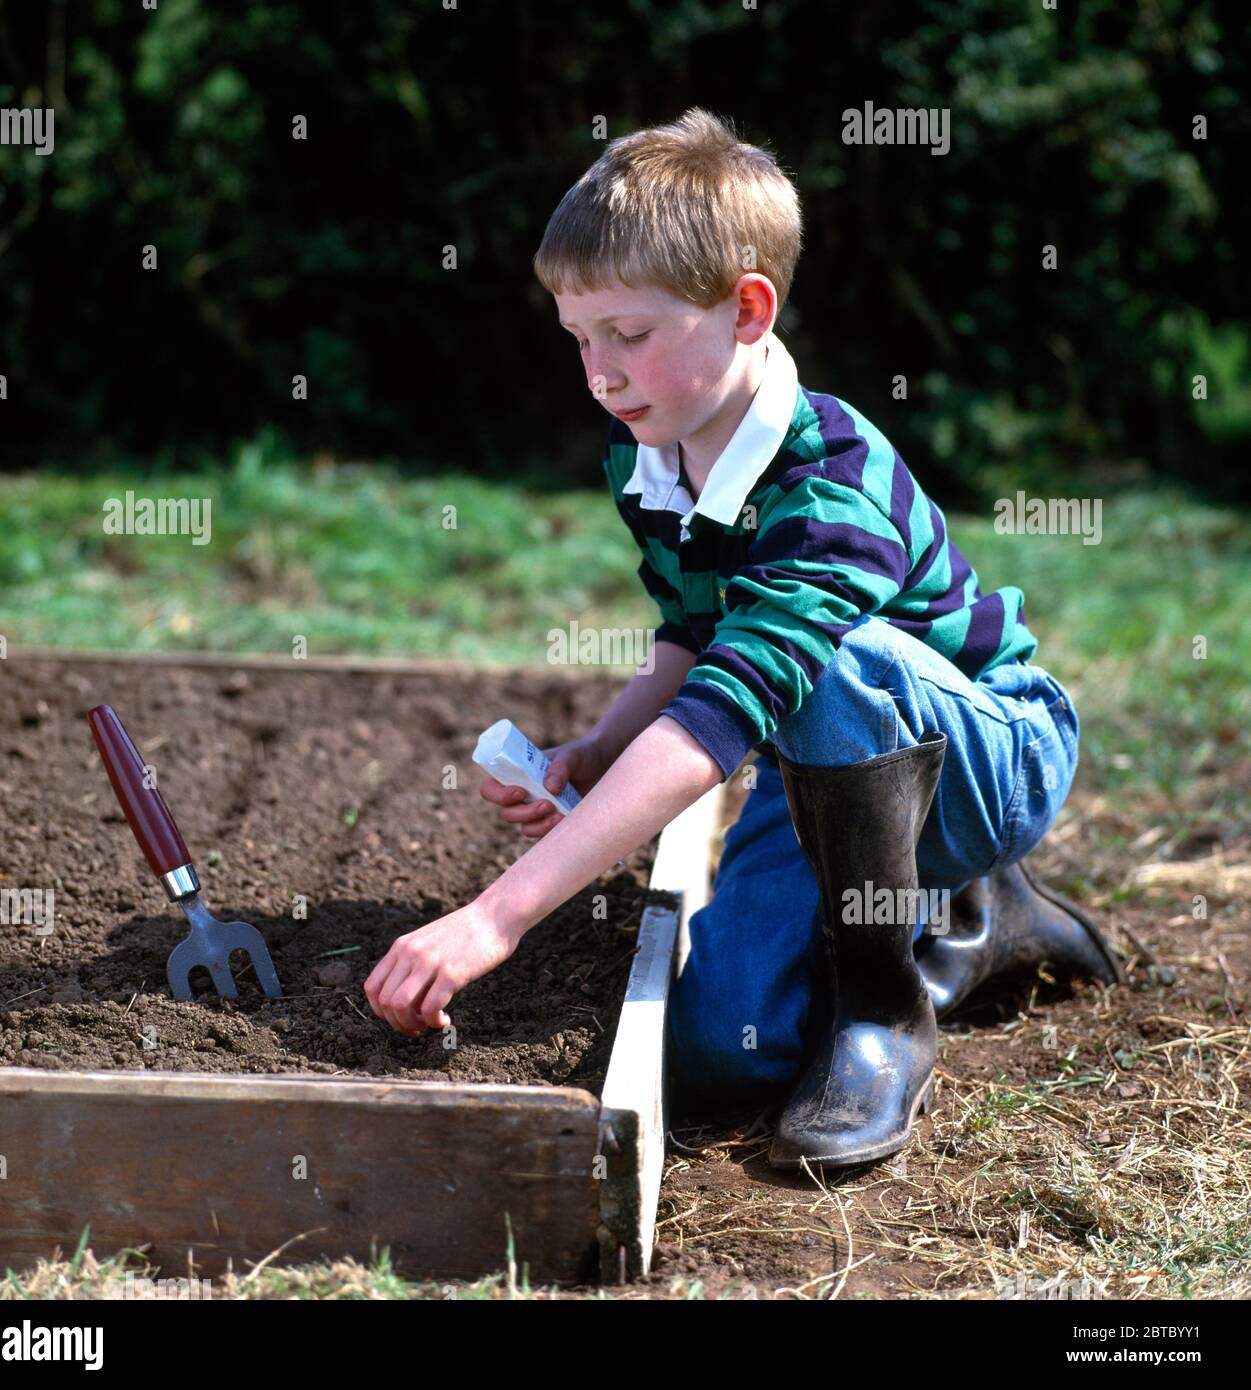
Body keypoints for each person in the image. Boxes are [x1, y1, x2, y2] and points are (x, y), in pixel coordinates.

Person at [363, 107, 1120, 1170]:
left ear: (746, 311)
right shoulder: (649, 456)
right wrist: (595, 753)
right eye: (579, 338)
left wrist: (498, 916)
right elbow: (691, 633)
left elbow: (719, 716)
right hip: (824, 774)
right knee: (724, 1050)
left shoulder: (830, 487)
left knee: (836, 658)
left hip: (989, 753)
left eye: (628, 334)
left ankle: (883, 1014)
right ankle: (979, 917)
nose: (599, 373)